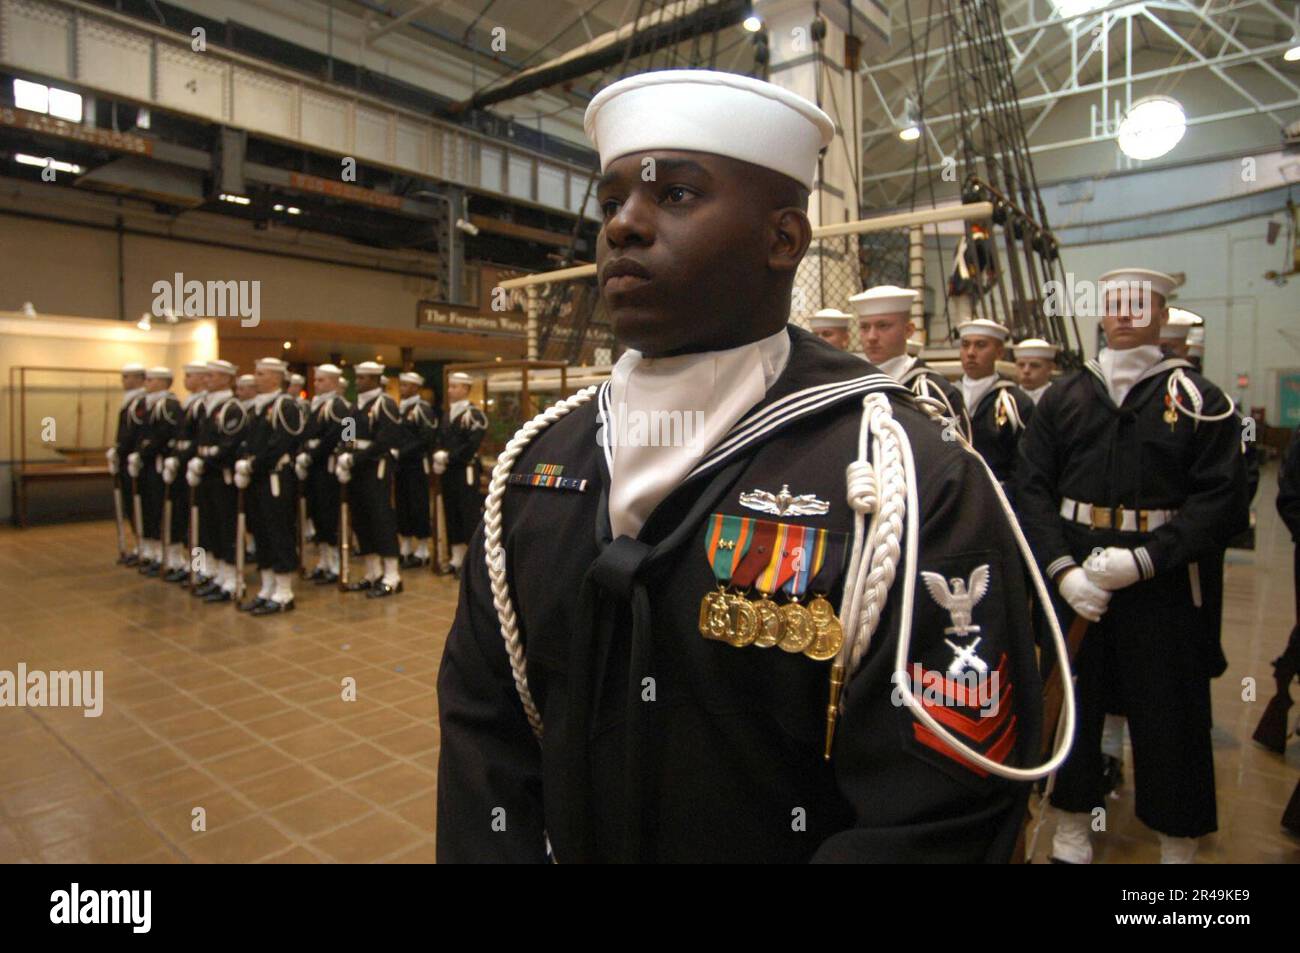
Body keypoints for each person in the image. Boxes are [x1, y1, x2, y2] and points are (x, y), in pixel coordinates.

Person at [436, 69, 1059, 863]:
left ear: (784, 239)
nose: (623, 225)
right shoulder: (538, 465)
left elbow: (938, 812)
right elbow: (483, 732)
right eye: (611, 202)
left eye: (676, 196)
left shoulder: (901, 477)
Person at [1016, 266, 1249, 864]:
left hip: (1162, 585)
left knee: (1169, 711)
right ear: (1100, 313)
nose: (1123, 314)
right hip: (1076, 580)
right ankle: (1071, 819)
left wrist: (1147, 559)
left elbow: (1220, 502)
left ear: (1161, 315)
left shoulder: (1202, 402)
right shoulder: (1066, 396)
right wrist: (1063, 571)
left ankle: (1177, 836)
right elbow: (1032, 490)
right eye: (1113, 304)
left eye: (1137, 305)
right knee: (1075, 702)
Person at [851, 284, 968, 440]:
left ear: (909, 330)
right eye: (865, 327)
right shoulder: (854, 386)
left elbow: (956, 449)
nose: (871, 337)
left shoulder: (936, 392)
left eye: (883, 326)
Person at [234, 358, 304, 615]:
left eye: (261, 373)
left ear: (276, 378)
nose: (256, 377)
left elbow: (282, 443)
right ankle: (267, 587)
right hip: (257, 477)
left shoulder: (284, 405)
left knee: (278, 531)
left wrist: (253, 465)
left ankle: (284, 591)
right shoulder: (257, 407)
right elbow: (248, 441)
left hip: (275, 476)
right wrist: (244, 462)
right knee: (261, 532)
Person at [337, 362, 403, 597]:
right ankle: (372, 572)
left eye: (363, 378)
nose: (359, 382)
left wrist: (355, 459)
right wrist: (343, 457)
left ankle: (392, 575)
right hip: (356, 468)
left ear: (375, 380)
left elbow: (386, 440)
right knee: (362, 520)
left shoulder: (384, 404)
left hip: (376, 467)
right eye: (358, 378)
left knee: (381, 518)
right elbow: (346, 435)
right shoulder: (354, 406)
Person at [188, 360, 247, 603]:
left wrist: (204, 461)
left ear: (226, 379)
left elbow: (229, 445)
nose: (206, 380)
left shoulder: (231, 408)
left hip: (221, 474)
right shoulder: (206, 406)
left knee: (226, 528)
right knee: (207, 527)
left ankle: (233, 579)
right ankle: (213, 573)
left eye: (211, 376)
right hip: (205, 474)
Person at [958, 318, 1033, 500]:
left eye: (981, 345)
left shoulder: (1016, 402)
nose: (970, 353)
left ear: (999, 352)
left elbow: (1026, 464)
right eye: (965, 345)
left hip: (1000, 498)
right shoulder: (944, 395)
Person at [296, 364, 351, 584]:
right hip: (315, 466)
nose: (317, 384)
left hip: (327, 466)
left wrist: (313, 454)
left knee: (329, 515)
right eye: (316, 380)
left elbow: (341, 434)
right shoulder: (316, 405)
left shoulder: (337, 406)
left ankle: (335, 563)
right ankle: (324, 560)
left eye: (322, 380)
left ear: (334, 382)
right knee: (317, 514)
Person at [433, 371, 487, 576]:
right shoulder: (448, 414)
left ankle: (471, 559)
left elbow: (471, 444)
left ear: (465, 389)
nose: (450, 390)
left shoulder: (473, 414)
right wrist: (438, 453)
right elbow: (439, 437)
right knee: (451, 511)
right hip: (449, 470)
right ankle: (456, 556)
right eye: (450, 386)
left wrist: (449, 456)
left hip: (465, 469)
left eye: (455, 386)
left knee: (467, 513)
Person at [127, 368, 180, 576]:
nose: (146, 384)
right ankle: (156, 553)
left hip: (162, 464)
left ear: (162, 382)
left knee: (167, 514)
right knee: (150, 510)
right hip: (149, 464)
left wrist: (143, 452)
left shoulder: (168, 406)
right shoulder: (149, 404)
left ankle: (178, 560)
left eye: (150, 380)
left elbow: (164, 435)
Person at [161, 362, 210, 583]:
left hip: (196, 468)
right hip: (183, 466)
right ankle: (190, 563)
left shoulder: (203, 405)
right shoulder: (189, 403)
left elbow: (199, 440)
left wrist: (183, 459)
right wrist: (173, 458)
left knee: (197, 522)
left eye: (190, 376)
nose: (186, 380)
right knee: (183, 518)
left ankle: (199, 567)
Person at [395, 371, 441, 568]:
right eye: (401, 385)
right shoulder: (399, 408)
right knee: (402, 504)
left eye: (406, 385)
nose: (402, 389)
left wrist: (402, 451)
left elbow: (426, 438)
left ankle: (422, 547)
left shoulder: (422, 409)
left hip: (415, 463)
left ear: (415, 387)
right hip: (401, 464)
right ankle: (405, 545)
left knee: (418, 504)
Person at [107, 362, 147, 565]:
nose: (124, 381)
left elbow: (137, 433)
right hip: (125, 459)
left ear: (140, 379)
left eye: (128, 377)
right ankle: (140, 545)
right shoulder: (130, 402)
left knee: (140, 506)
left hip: (136, 461)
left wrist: (125, 451)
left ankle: (146, 547)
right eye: (123, 377)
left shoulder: (141, 402)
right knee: (130, 505)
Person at [1013, 338, 1059, 405]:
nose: (1026, 371)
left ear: (1050, 368)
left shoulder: (1060, 398)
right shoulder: (1007, 397)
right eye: (1021, 365)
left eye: (1034, 365)